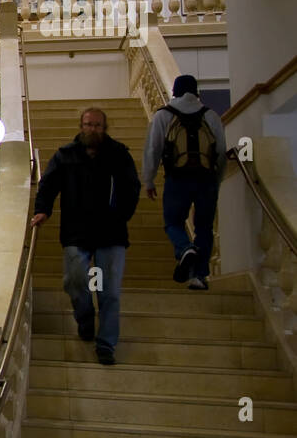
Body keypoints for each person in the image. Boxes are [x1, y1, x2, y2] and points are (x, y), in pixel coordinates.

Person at [30, 107, 141, 365]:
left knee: (109, 292)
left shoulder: (119, 155)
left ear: (105, 127)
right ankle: (85, 318)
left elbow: (131, 188)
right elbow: (47, 185)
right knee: (75, 281)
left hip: (111, 233)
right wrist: (42, 211)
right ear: (81, 126)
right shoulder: (65, 155)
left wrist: (121, 215)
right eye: (89, 124)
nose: (93, 129)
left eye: (98, 125)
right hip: (75, 232)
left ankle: (106, 345)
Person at [141, 75, 226, 291]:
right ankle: (199, 276)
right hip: (206, 179)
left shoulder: (163, 115)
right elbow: (221, 152)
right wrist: (217, 179)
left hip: (177, 178)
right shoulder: (211, 116)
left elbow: (153, 150)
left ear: (175, 92)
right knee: (204, 227)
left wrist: (148, 180)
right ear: (196, 92)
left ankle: (185, 248)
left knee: (173, 222)